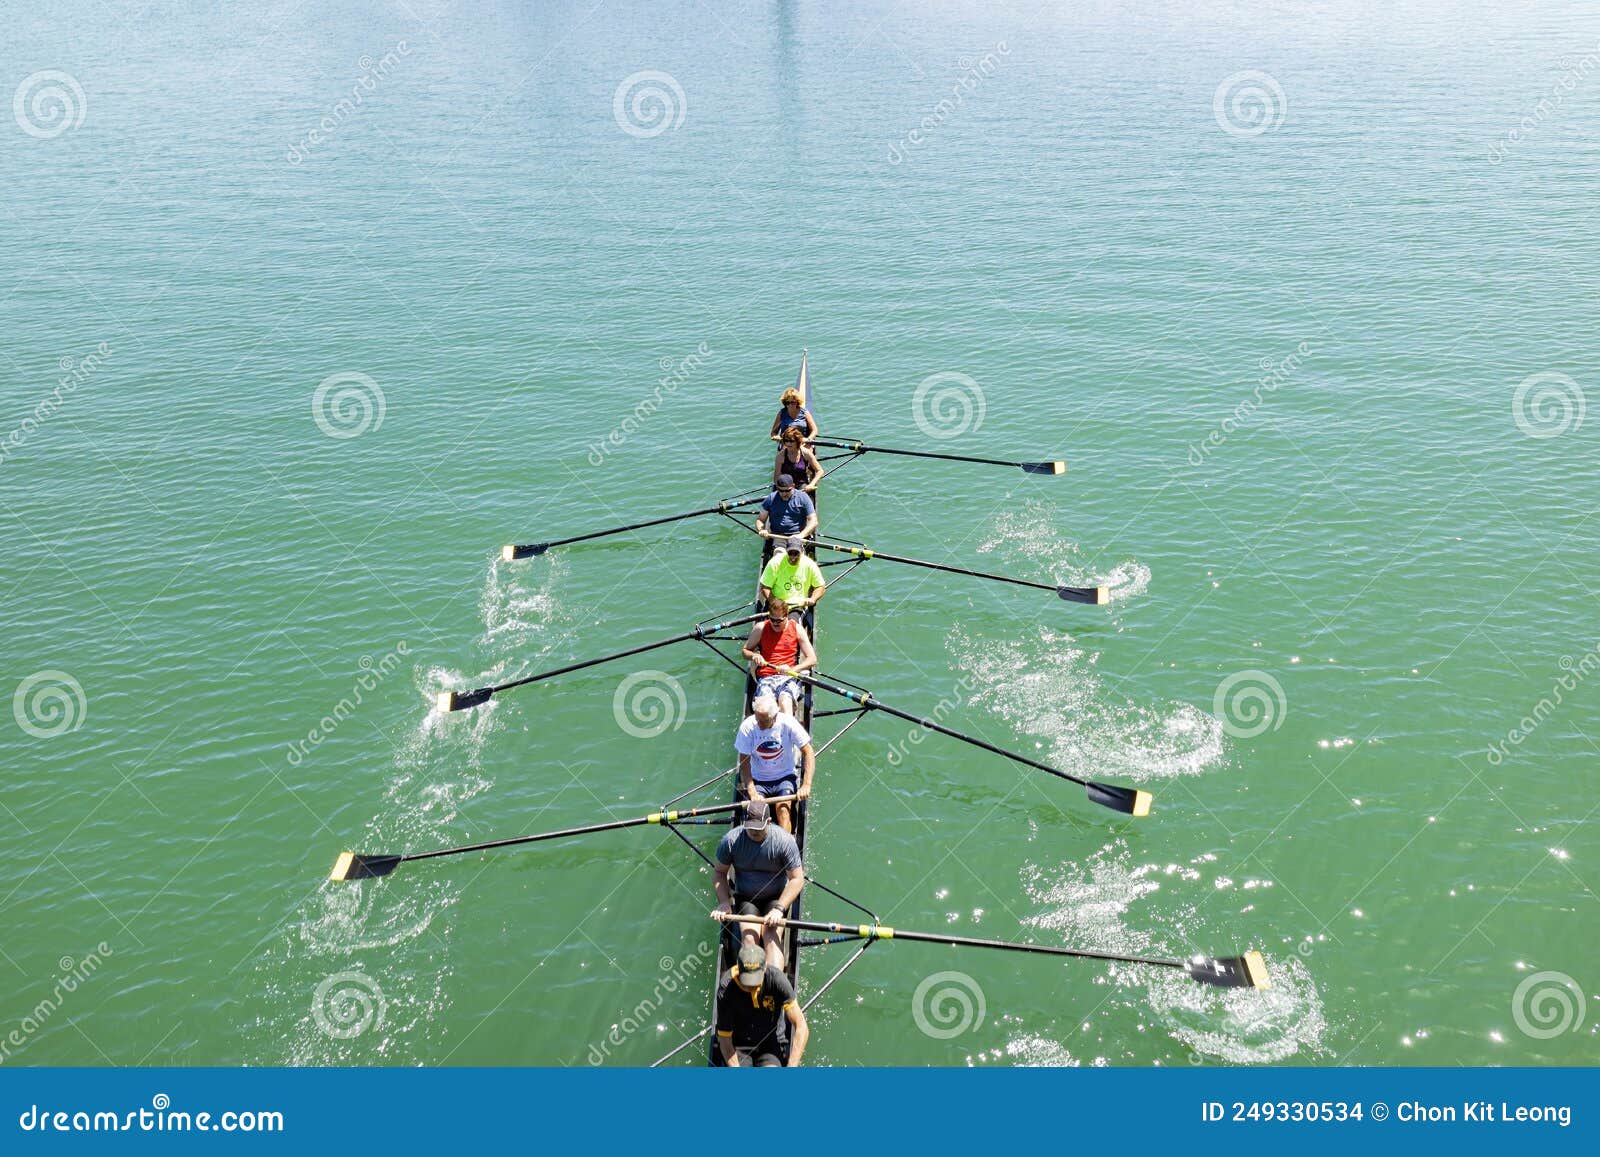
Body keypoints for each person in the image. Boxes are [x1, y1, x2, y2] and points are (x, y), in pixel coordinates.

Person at [713, 798, 805, 969]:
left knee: (771, 937)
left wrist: (779, 909)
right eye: (750, 828)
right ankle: (751, 984)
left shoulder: (784, 841)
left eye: (758, 828)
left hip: (776, 900)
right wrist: (724, 902)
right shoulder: (731, 841)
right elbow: (719, 873)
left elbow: (797, 879)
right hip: (746, 898)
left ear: (768, 822)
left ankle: (774, 987)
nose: (753, 832)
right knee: (749, 939)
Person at [712, 939, 809, 1067]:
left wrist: (792, 1065)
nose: (751, 986)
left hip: (771, 1043)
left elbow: (801, 1026)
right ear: (738, 969)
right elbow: (724, 1038)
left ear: (764, 969)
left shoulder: (777, 979)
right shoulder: (726, 988)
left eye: (755, 981)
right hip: (739, 1046)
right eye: (747, 981)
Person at [734, 693, 814, 833]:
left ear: (774, 716)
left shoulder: (788, 723)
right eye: (757, 719)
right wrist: (752, 791)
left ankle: (785, 847)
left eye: (763, 721)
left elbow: (808, 752)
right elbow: (744, 762)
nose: (758, 724)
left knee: (782, 810)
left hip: (784, 776)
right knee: (755, 817)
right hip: (758, 779)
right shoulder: (747, 727)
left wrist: (806, 785)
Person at [740, 597, 817, 716]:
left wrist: (792, 670)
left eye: (779, 620)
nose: (775, 623)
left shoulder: (797, 628)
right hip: (766, 678)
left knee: (785, 704)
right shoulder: (760, 628)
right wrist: (754, 655)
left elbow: (812, 659)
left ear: (787, 615)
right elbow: (745, 651)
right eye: (772, 619)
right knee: (766, 712)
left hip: (787, 677)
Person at [758, 536, 826, 617]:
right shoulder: (775, 562)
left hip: (797, 606)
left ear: (802, 552)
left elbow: (820, 586)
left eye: (796, 553)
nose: (793, 557)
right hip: (777, 603)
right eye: (790, 553)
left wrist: (813, 599)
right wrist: (775, 602)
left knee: (791, 623)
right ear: (786, 552)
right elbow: (765, 587)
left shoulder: (810, 564)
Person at [755, 475, 817, 542]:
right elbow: (760, 520)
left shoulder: (803, 497)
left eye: (787, 490)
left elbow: (813, 521)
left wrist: (801, 535)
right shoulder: (771, 498)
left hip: (797, 535)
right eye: (780, 490)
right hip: (777, 535)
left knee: (795, 551)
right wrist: (761, 530)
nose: (784, 494)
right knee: (779, 552)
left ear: (793, 486)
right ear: (777, 487)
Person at [773, 427, 823, 495]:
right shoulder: (780, 456)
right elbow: (776, 476)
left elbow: (820, 471)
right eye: (786, 441)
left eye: (791, 441)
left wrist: (811, 484)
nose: (788, 443)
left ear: (797, 441)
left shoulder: (806, 453)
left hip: (801, 485)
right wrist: (782, 489)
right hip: (785, 485)